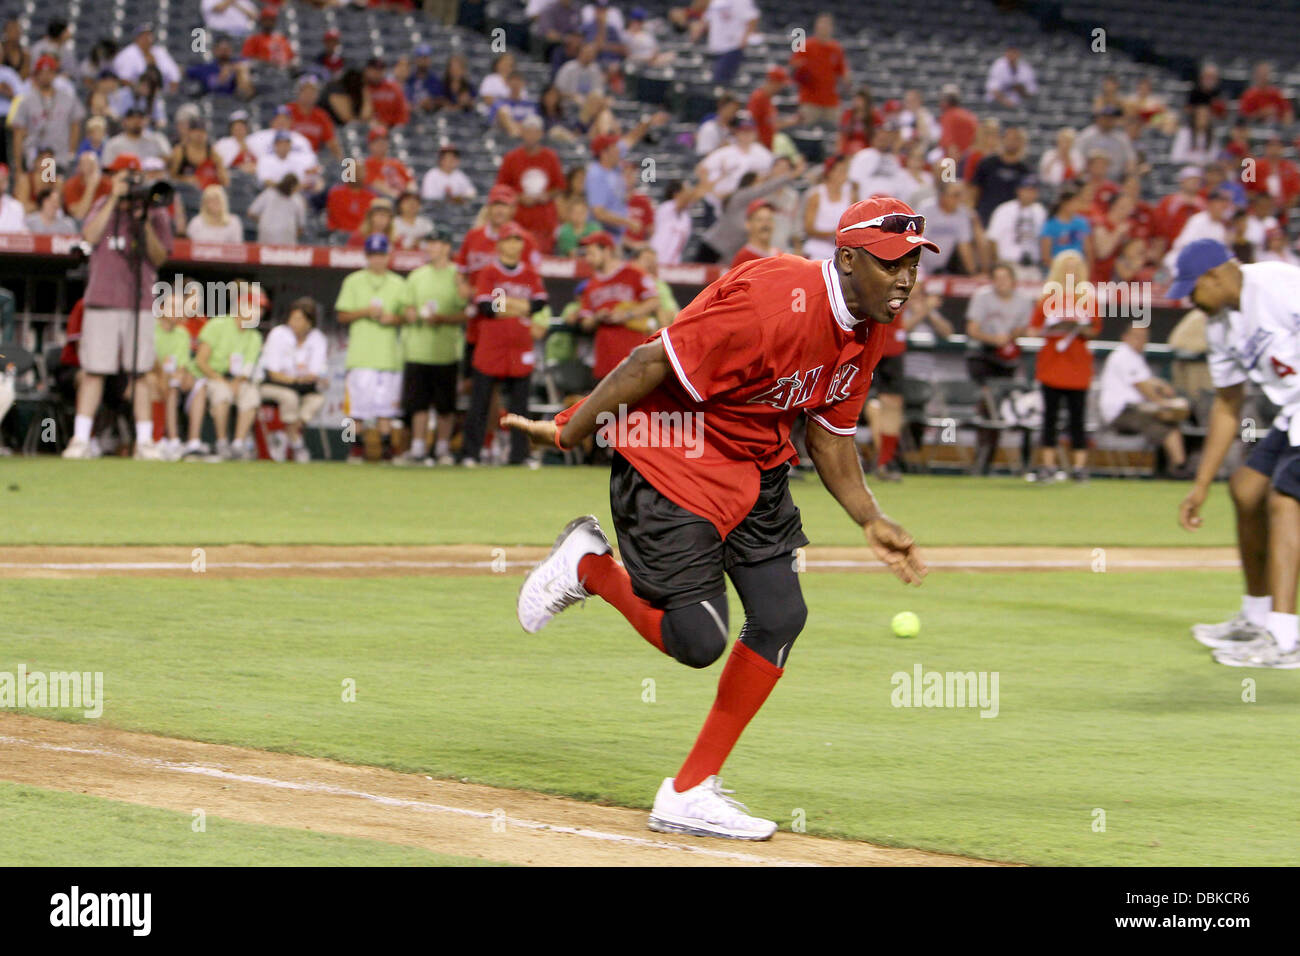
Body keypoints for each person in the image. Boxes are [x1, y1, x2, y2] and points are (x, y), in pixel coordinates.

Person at [504, 197, 932, 839]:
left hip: (755, 465)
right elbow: (647, 362)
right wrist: (567, 432)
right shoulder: (771, 302)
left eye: (913, 265)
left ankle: (688, 790)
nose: (905, 279)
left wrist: (871, 517)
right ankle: (589, 567)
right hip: (673, 456)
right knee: (698, 641)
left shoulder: (868, 326)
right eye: (891, 263)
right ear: (846, 259)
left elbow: (831, 434)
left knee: (783, 616)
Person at [1174, 240, 1300, 668]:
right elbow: (1227, 406)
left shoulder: (1281, 286)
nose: (1190, 302)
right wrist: (1201, 485)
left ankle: (1286, 638)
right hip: (1293, 408)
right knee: (1247, 490)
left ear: (1215, 276)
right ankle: (1257, 617)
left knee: (1284, 499)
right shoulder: (1219, 325)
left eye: (1192, 292)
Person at [61, 154, 173, 460]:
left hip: (139, 302)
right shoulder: (102, 205)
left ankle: (146, 441)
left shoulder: (155, 211)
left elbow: (159, 257)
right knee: (95, 370)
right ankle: (81, 439)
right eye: (116, 175)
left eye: (126, 176)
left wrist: (144, 220)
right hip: (103, 300)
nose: (122, 181)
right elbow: (89, 235)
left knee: (140, 374)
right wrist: (113, 199)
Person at [463, 222, 547, 466]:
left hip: (520, 346)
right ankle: (471, 454)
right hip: (491, 345)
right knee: (480, 402)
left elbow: (538, 304)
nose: (515, 244)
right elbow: (487, 308)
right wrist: (520, 305)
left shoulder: (530, 273)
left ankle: (518, 456)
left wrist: (508, 303)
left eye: (518, 240)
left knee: (520, 406)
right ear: (499, 244)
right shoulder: (489, 272)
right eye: (510, 239)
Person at [1027, 249, 1101, 483]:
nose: (1071, 272)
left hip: (1077, 366)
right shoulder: (1047, 299)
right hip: (1051, 364)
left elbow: (1094, 330)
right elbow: (1034, 329)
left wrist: (1077, 326)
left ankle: (1079, 467)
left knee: (1078, 418)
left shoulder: (1087, 299)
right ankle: (1048, 465)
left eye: (1076, 268)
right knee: (1049, 418)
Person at [398, 228, 469, 466]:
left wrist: (442, 319)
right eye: (429, 243)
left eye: (436, 243)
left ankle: (442, 448)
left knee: (445, 406)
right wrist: (416, 314)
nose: (431, 247)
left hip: (446, 351)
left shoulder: (457, 275)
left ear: (447, 247)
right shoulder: (417, 276)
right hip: (418, 349)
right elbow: (406, 308)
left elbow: (466, 310)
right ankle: (418, 447)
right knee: (418, 403)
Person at [335, 232, 409, 461]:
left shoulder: (398, 283)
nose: (378, 259)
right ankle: (351, 450)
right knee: (354, 411)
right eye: (373, 254)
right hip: (361, 355)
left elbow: (407, 316)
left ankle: (387, 451)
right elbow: (342, 315)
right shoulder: (353, 280)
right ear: (367, 256)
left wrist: (393, 319)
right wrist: (365, 312)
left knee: (385, 411)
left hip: (388, 356)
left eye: (381, 254)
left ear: (388, 255)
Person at [1098, 321, 1190, 476]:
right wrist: (1163, 403)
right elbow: (1142, 386)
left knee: (1169, 420)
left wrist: (1161, 386)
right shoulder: (1123, 354)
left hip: (1133, 410)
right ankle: (1179, 468)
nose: (1140, 341)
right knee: (1164, 424)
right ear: (1125, 337)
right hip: (1121, 413)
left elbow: (1148, 381)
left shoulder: (1136, 357)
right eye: (1136, 337)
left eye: (1144, 337)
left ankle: (1168, 468)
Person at [194, 282, 265, 460]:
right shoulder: (218, 324)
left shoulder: (255, 336)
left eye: (260, 308)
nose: (258, 312)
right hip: (211, 376)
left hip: (237, 379)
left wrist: (236, 382)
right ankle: (221, 442)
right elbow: (201, 361)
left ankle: (238, 444)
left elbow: (247, 366)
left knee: (251, 394)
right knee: (222, 393)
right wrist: (223, 381)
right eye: (254, 307)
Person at [576, 230, 660, 380]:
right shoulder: (590, 285)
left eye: (591, 253)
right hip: (605, 356)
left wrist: (626, 314)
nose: (588, 259)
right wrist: (597, 317)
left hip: (633, 351)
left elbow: (654, 301)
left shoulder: (633, 273)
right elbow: (585, 323)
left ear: (607, 250)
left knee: (631, 402)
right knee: (612, 403)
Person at [258, 297, 329, 463]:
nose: (294, 322)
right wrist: (297, 381)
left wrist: (301, 381)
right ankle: (296, 443)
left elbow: (315, 373)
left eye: (299, 319)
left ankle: (285, 435)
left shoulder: (317, 338)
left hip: (303, 388)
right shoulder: (278, 334)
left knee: (317, 400)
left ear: (309, 322)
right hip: (272, 386)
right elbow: (274, 374)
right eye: (292, 318)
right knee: (290, 397)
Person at [496, 115, 565, 253]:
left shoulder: (550, 157)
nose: (531, 136)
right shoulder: (511, 158)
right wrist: (519, 197)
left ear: (540, 134)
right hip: (519, 219)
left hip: (544, 222)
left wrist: (547, 195)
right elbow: (501, 188)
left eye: (535, 132)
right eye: (528, 132)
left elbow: (560, 186)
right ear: (522, 132)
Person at [788, 11, 845, 126]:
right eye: (821, 24)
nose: (824, 28)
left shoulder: (836, 48)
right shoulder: (806, 44)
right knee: (804, 129)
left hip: (830, 100)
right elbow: (793, 67)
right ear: (816, 26)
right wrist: (799, 68)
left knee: (837, 130)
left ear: (831, 28)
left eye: (827, 25)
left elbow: (842, 72)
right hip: (809, 99)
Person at [985, 175, 1046, 276]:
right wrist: (997, 265)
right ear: (1018, 190)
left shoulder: (1040, 211)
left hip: (1032, 265)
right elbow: (992, 239)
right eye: (1026, 190)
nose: (1029, 194)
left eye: (1033, 190)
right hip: (1009, 264)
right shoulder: (1004, 209)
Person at [694, 0, 758, 87]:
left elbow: (752, 17)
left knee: (721, 83)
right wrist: (698, 32)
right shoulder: (715, 2)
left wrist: (745, 38)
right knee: (712, 84)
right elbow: (707, 18)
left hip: (732, 47)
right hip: (715, 48)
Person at [802, 154, 854, 260]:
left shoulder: (850, 195)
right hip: (816, 251)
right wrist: (832, 234)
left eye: (845, 171)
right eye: (840, 171)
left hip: (839, 253)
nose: (843, 175)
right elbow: (808, 228)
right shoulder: (816, 195)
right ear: (830, 172)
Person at [729, 199, 778, 267]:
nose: (765, 224)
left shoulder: (779, 254)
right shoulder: (744, 258)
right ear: (748, 224)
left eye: (769, 219)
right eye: (759, 220)